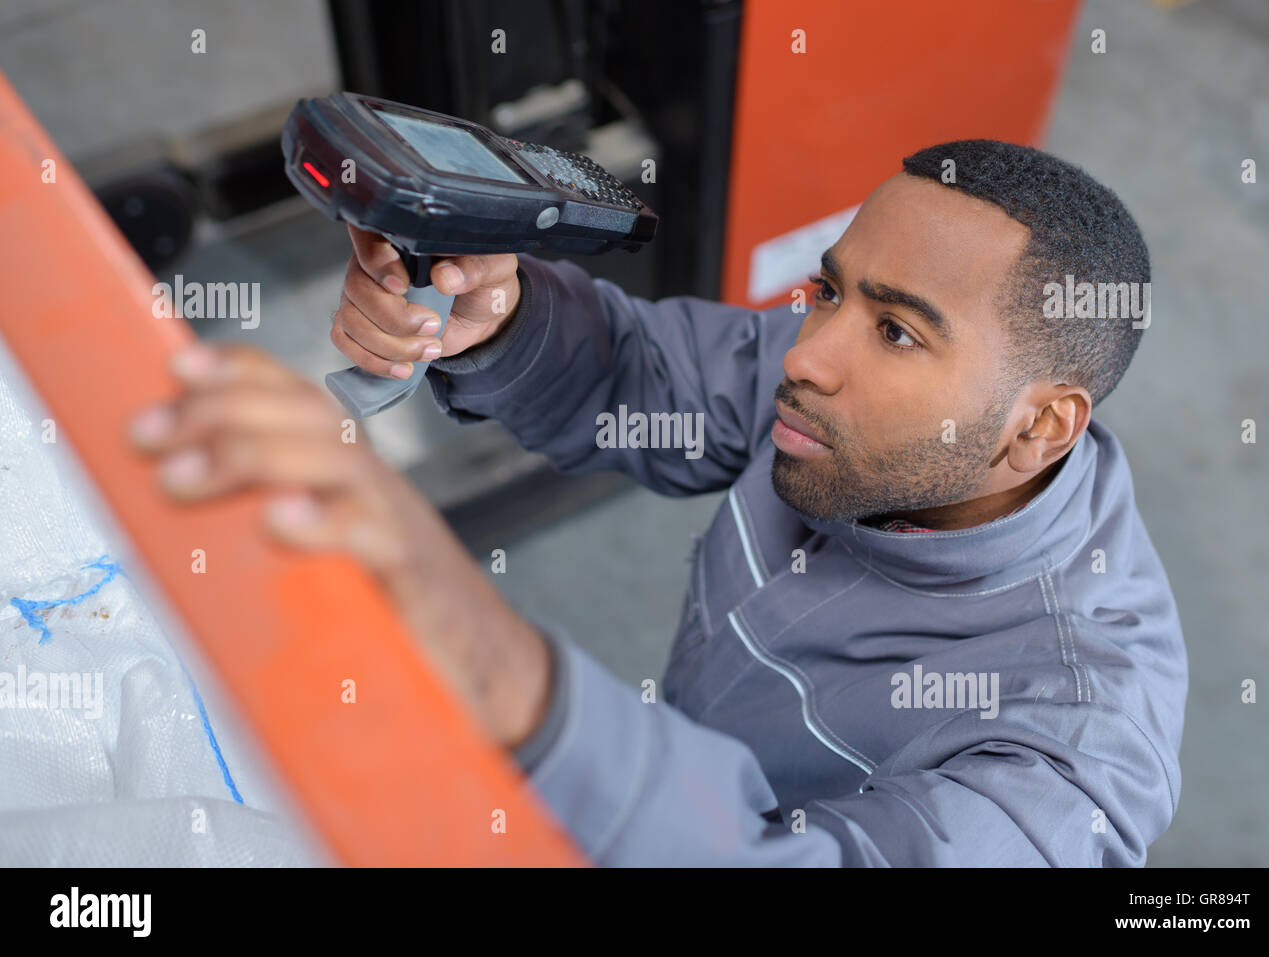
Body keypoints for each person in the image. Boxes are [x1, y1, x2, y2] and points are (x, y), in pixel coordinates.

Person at [129, 139, 1187, 866]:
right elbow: (652, 385)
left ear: (1041, 427)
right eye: (828, 291)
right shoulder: (833, 393)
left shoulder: (1073, 750)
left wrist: (504, 672)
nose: (806, 354)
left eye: (898, 332)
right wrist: (497, 321)